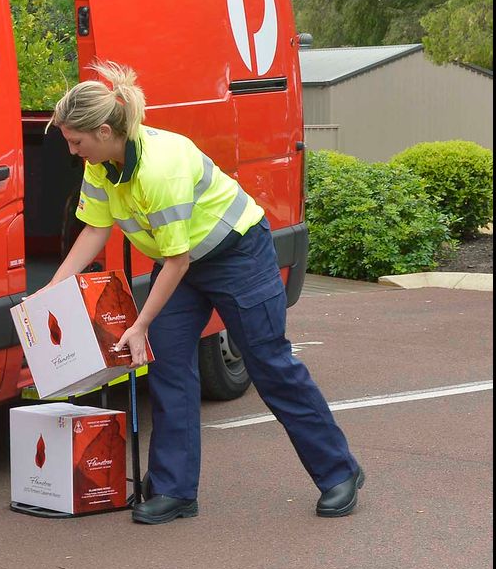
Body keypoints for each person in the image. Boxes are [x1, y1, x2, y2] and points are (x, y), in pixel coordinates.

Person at [42, 61, 363, 523]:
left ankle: (340, 473)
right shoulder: (102, 165)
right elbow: (94, 229)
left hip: (238, 256)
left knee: (270, 365)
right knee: (170, 367)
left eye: (77, 141)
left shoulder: (161, 169)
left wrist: (139, 325)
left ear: (107, 130)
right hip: (185, 264)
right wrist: (54, 290)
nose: (73, 151)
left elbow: (177, 261)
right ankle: (175, 491)